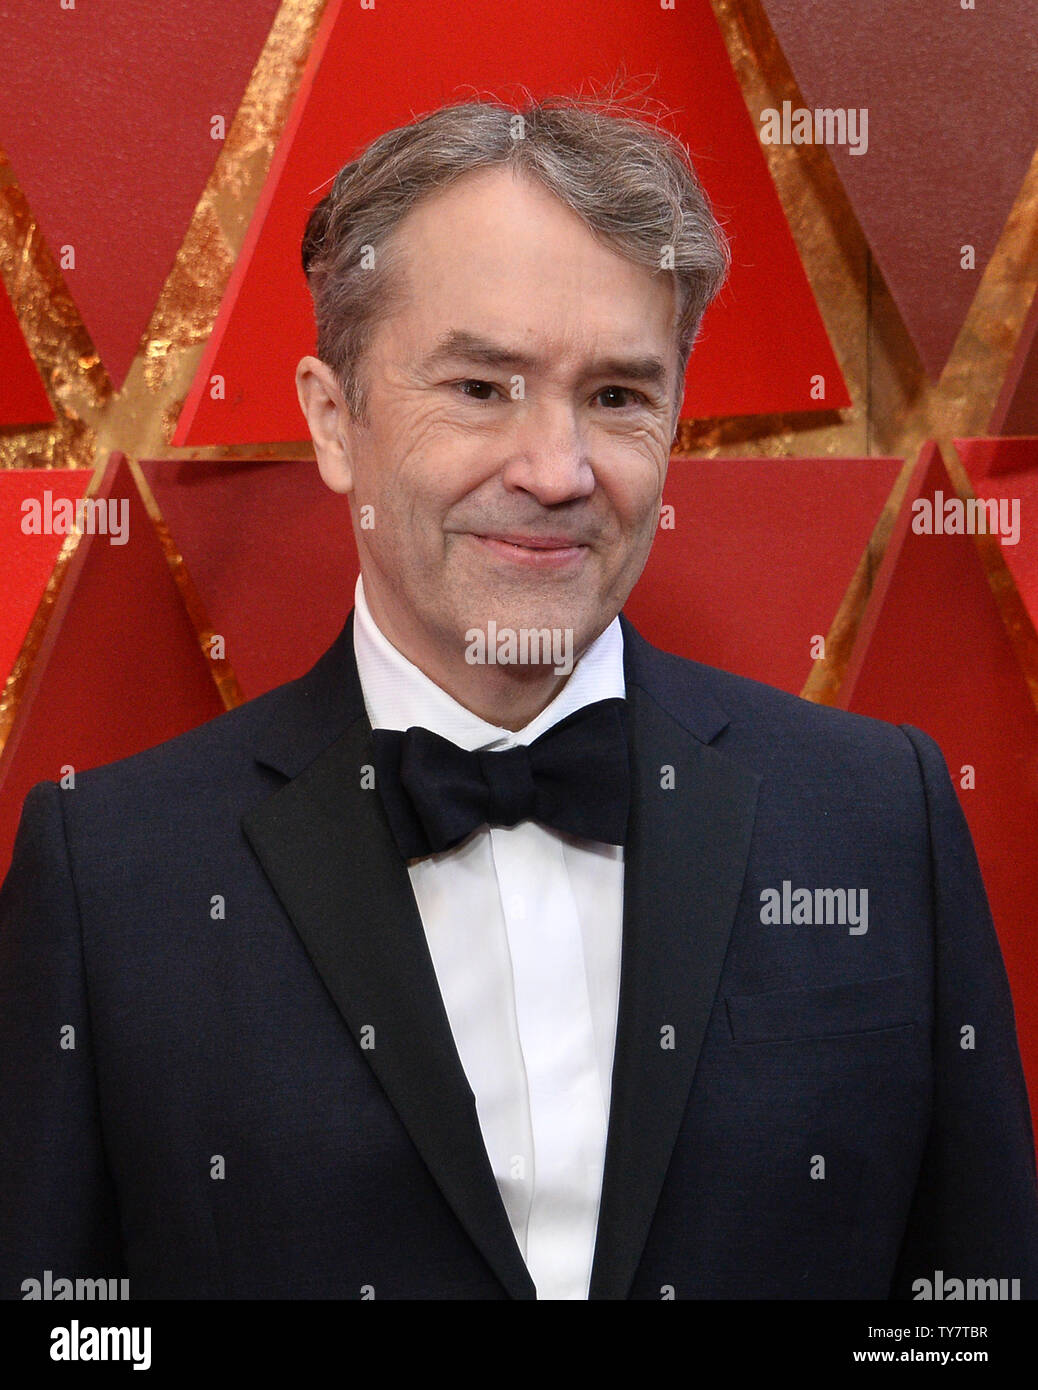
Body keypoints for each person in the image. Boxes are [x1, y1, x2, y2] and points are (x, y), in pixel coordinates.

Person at [1, 95, 1036, 1301]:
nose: (556, 471)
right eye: (484, 387)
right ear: (335, 421)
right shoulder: (110, 875)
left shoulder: (881, 817)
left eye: (616, 396)